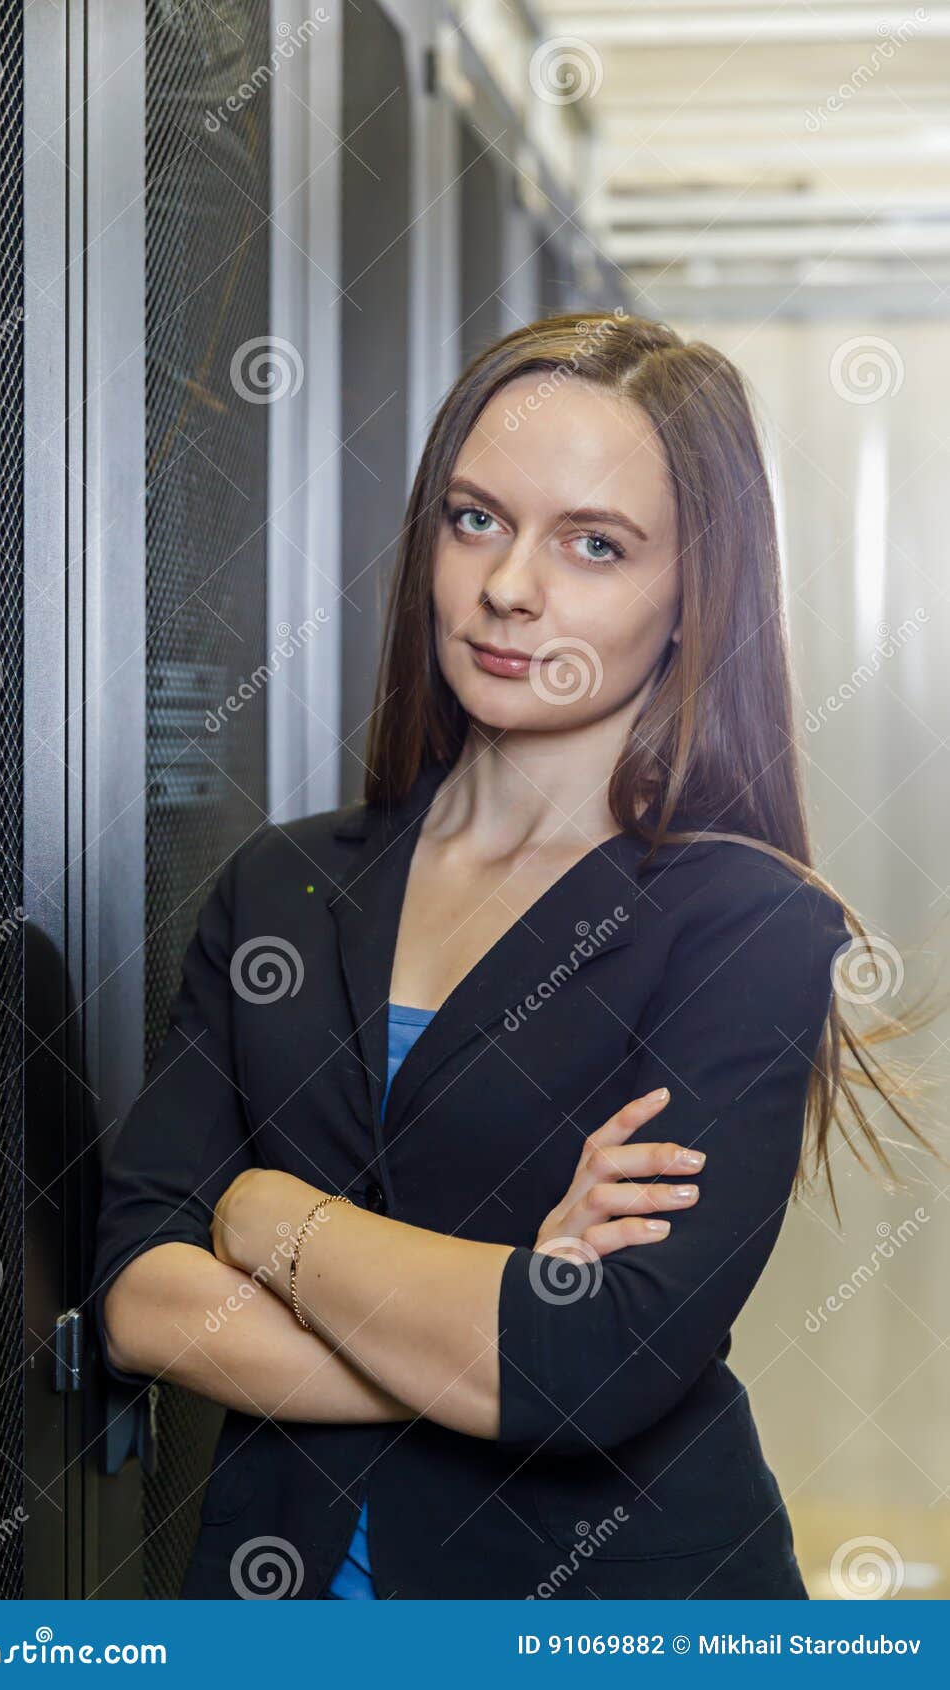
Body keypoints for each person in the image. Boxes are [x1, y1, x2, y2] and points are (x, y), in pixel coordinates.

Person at [93, 312, 941, 1601]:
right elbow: (142, 1296)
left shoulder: (746, 926)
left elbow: (600, 1363)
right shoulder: (285, 884)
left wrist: (270, 1217)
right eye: (476, 518)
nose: (509, 588)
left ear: (690, 599)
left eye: (593, 545)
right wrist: (487, 1343)